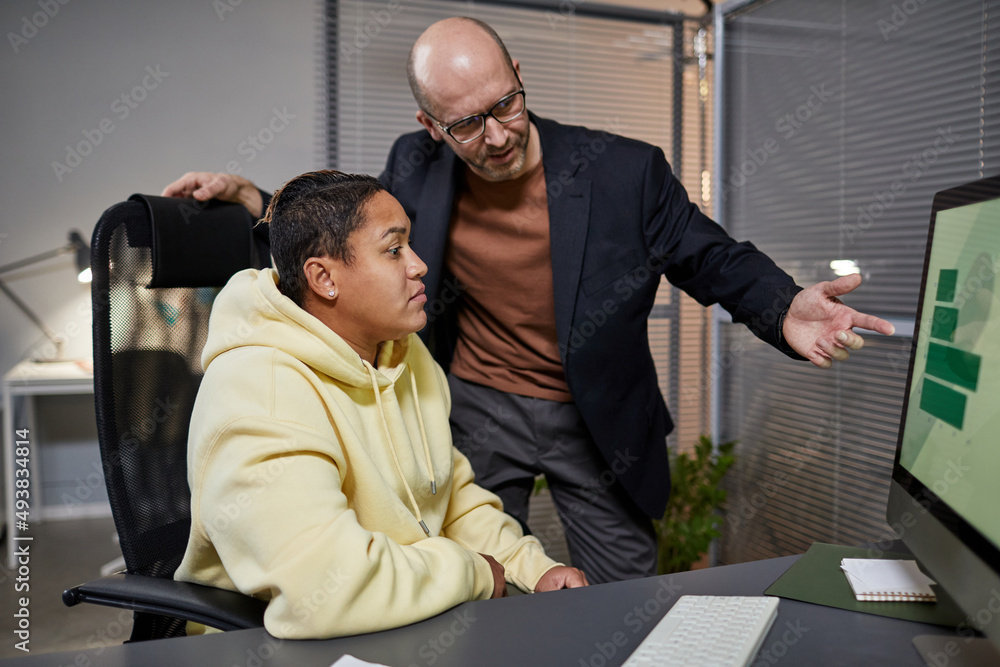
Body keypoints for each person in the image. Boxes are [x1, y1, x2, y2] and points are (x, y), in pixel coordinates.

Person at [163, 18, 894, 585]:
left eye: (504, 104)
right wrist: (255, 200)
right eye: (467, 124)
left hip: (595, 413)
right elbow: (343, 239)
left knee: (621, 595)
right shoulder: (412, 166)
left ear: (519, 74)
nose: (498, 134)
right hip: (476, 403)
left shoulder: (623, 172)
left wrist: (785, 305)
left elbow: (711, 256)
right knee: (477, 585)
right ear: (431, 128)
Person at [173, 170, 587, 640]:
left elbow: (450, 499)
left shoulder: (404, 354)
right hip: (272, 644)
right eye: (394, 250)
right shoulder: (260, 391)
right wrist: (472, 572)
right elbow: (324, 591)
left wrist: (530, 569)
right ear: (323, 277)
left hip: (402, 619)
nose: (418, 265)